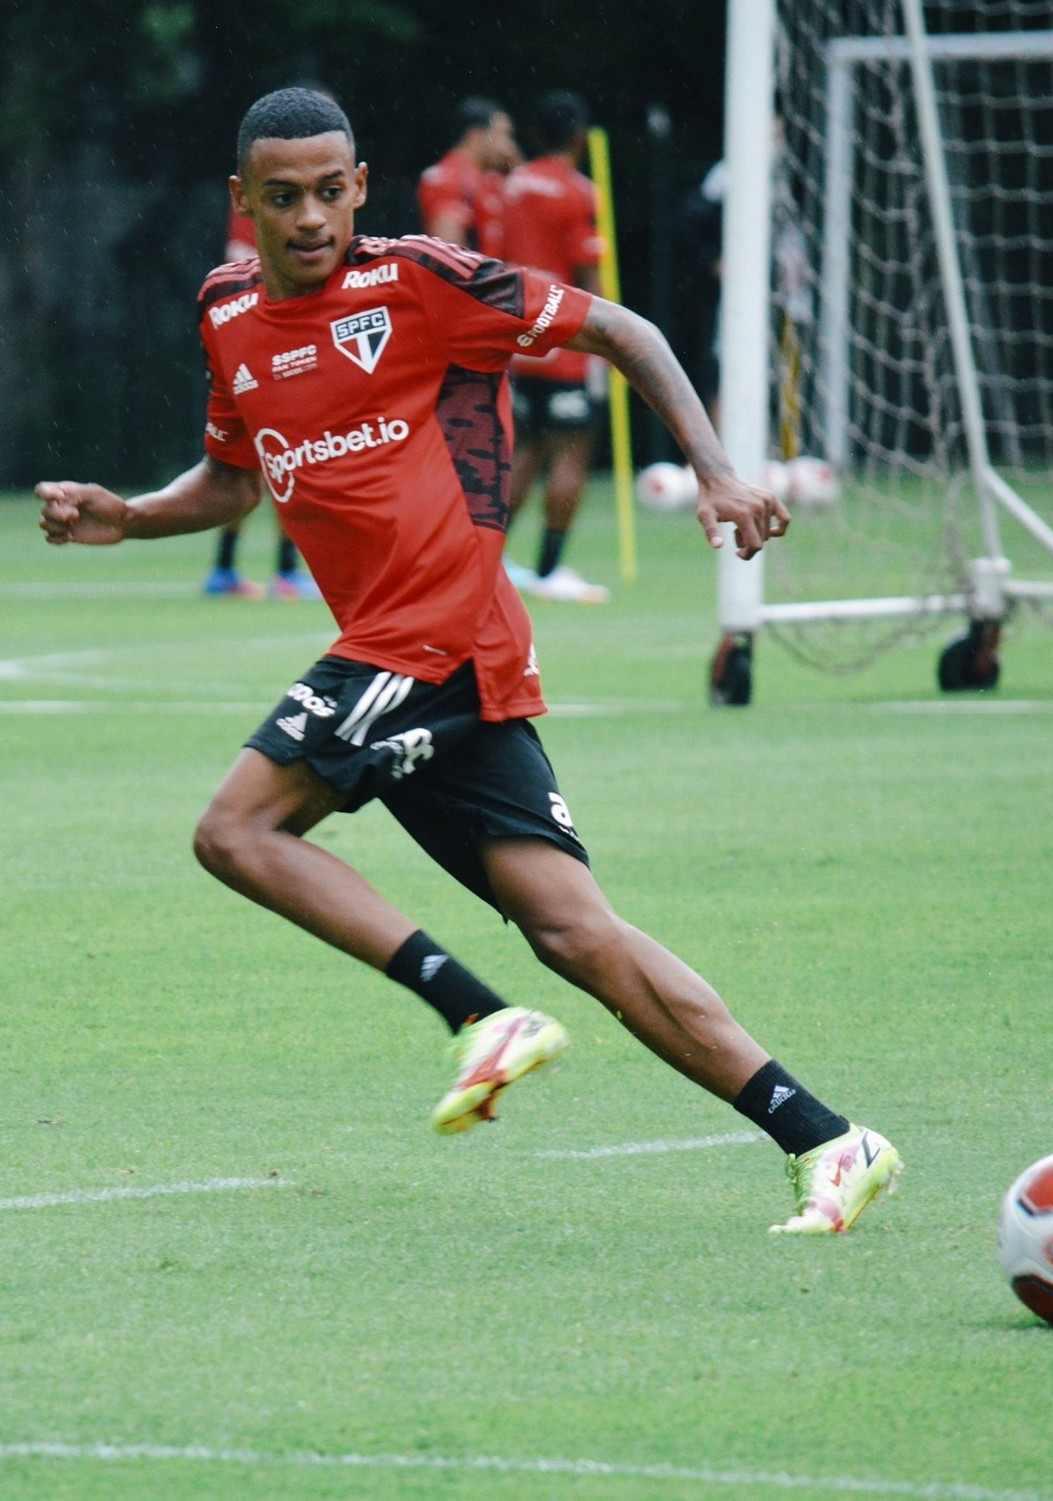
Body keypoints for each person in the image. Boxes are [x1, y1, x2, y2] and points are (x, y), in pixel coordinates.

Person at [37, 87, 901, 1234]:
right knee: (577, 933)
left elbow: (622, 330)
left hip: (432, 635)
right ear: (241, 202)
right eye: (282, 197)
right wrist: (131, 517)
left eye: (331, 192)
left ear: (361, 184)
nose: (310, 218)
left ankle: (478, 1015)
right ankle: (831, 1138)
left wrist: (716, 469)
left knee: (236, 830)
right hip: (430, 658)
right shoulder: (227, 313)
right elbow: (239, 477)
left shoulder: (422, 282)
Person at [497, 91, 609, 604]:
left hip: (520, 335)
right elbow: (587, 271)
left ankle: (491, 558)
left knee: (526, 448)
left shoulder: (513, 184)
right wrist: (610, 339)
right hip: (565, 338)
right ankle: (549, 568)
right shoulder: (578, 191)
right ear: (579, 136)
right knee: (573, 447)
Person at [203, 201, 322, 601]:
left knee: (249, 462)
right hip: (270, 343)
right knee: (287, 457)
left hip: (245, 343)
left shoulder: (253, 199)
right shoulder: (274, 205)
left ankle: (224, 568)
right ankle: (286, 571)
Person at [416, 96, 519, 258]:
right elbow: (449, 252)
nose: (509, 147)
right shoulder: (449, 177)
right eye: (503, 135)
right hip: (478, 281)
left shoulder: (489, 180)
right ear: (475, 135)